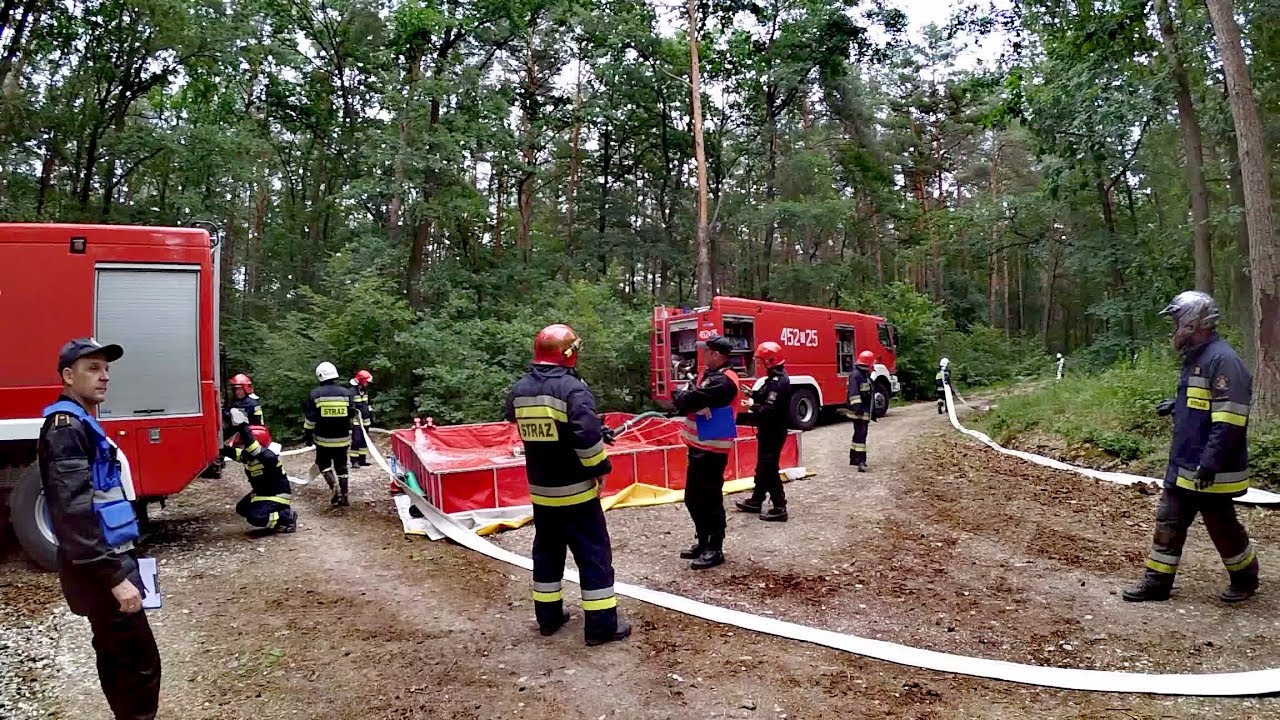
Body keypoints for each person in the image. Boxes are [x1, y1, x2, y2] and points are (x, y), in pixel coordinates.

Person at [38, 338, 161, 720]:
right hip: (101, 569)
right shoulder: (66, 428)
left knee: (117, 658)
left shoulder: (81, 422)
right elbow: (72, 514)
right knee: (140, 665)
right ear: (67, 376)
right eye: (93, 368)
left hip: (107, 561)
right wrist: (114, 578)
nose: (105, 376)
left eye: (106, 368)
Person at [1123, 291, 1259, 603]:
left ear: (1193, 322)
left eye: (1176, 320)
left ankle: (1246, 579)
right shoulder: (1198, 356)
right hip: (1185, 462)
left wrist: (1210, 463)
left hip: (1209, 468)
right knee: (1168, 520)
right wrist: (1179, 405)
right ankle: (1156, 584)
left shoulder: (1223, 360)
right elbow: (1205, 402)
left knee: (1222, 527)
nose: (1173, 327)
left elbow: (1229, 419)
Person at [504, 324, 631, 646]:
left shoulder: (520, 389)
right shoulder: (572, 389)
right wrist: (600, 467)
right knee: (594, 556)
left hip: (542, 491)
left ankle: (548, 619)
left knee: (547, 554)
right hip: (576, 491)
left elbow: (530, 424)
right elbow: (585, 439)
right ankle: (601, 627)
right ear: (569, 354)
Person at [673, 334, 741, 569]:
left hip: (713, 449)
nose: (702, 355)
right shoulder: (709, 376)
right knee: (693, 498)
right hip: (699, 446)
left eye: (706, 351)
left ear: (716, 354)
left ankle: (715, 548)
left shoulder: (724, 381)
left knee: (710, 499)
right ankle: (703, 541)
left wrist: (684, 396)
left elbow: (688, 399)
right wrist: (685, 396)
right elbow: (688, 396)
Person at [734, 341, 791, 522]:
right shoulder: (772, 379)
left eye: (761, 361)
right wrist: (752, 394)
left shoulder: (779, 382)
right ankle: (756, 500)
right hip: (768, 430)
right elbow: (764, 395)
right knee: (763, 467)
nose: (759, 364)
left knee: (769, 468)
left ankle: (780, 506)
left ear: (771, 361)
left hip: (774, 431)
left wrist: (753, 407)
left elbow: (769, 408)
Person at [221, 420, 297, 533]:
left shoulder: (269, 456)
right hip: (261, 493)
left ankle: (285, 517)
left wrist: (243, 426)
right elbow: (229, 451)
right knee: (242, 508)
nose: (242, 448)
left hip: (277, 495)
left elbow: (253, 448)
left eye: (244, 445)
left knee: (255, 517)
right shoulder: (249, 456)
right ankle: (279, 512)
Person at [303, 361, 354, 507]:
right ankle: (344, 497)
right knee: (342, 466)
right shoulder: (346, 393)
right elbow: (351, 414)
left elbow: (310, 420)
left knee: (323, 463)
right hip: (343, 439)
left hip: (323, 439)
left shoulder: (315, 394)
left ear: (320, 376)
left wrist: (308, 437)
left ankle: (334, 487)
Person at [848, 350, 877, 471]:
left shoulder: (864, 375)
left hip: (863, 411)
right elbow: (853, 393)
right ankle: (861, 461)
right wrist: (857, 409)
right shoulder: (856, 375)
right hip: (859, 412)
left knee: (858, 434)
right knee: (861, 435)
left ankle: (854, 458)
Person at [349, 369, 374, 468]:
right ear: (361, 381)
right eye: (366, 382)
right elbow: (351, 407)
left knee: (364, 440)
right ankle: (354, 461)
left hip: (365, 421)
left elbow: (366, 404)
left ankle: (362, 460)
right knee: (356, 440)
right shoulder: (352, 392)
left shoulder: (364, 390)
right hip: (357, 421)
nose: (367, 384)